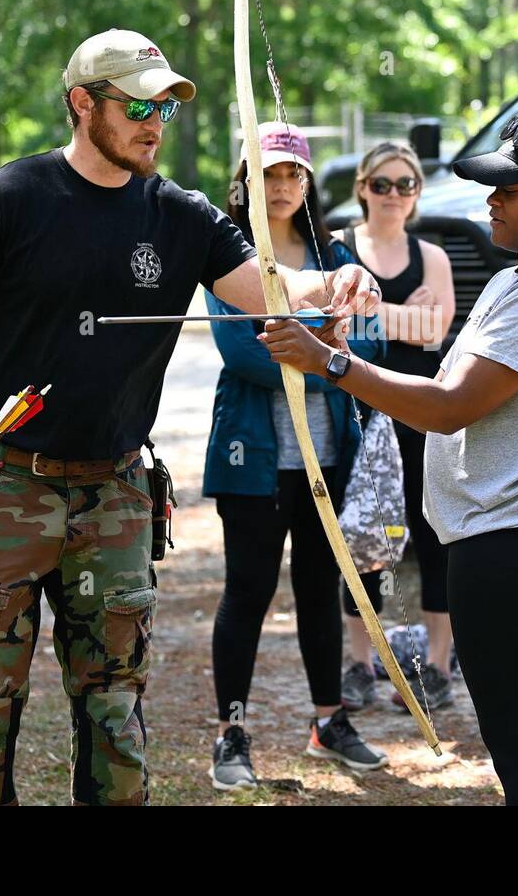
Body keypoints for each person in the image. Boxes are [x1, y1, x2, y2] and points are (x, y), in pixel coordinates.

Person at [0, 30, 379, 806]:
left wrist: (332, 288)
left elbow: (269, 288)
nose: (154, 121)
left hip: (116, 493)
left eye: (164, 106)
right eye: (136, 105)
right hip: (0, 486)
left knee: (115, 715)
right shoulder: (6, 201)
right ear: (81, 104)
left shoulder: (182, 216)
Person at [262, 118, 518, 806]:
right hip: (517, 524)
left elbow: (450, 405)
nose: (490, 201)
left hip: (514, 532)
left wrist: (330, 361)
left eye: (508, 188)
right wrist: (349, 338)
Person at [203, 122, 388, 791]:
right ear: (246, 182)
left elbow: (372, 348)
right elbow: (245, 354)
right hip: (253, 453)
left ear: (307, 184)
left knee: (318, 588)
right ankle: (231, 733)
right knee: (248, 590)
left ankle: (328, 720)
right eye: (268, 174)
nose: (281, 186)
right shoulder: (227, 254)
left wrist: (340, 347)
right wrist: (328, 358)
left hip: (326, 454)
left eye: (292, 174)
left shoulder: (333, 253)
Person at [333, 141, 456, 714]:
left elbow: (437, 330)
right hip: (357, 410)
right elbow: (336, 324)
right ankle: (359, 662)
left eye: (405, 185)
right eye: (382, 184)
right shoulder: (338, 250)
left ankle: (437, 664)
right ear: (362, 187)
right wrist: (408, 316)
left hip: (419, 410)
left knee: (434, 535)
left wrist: (378, 313)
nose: (393, 195)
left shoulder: (431, 255)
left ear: (417, 194)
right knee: (365, 538)